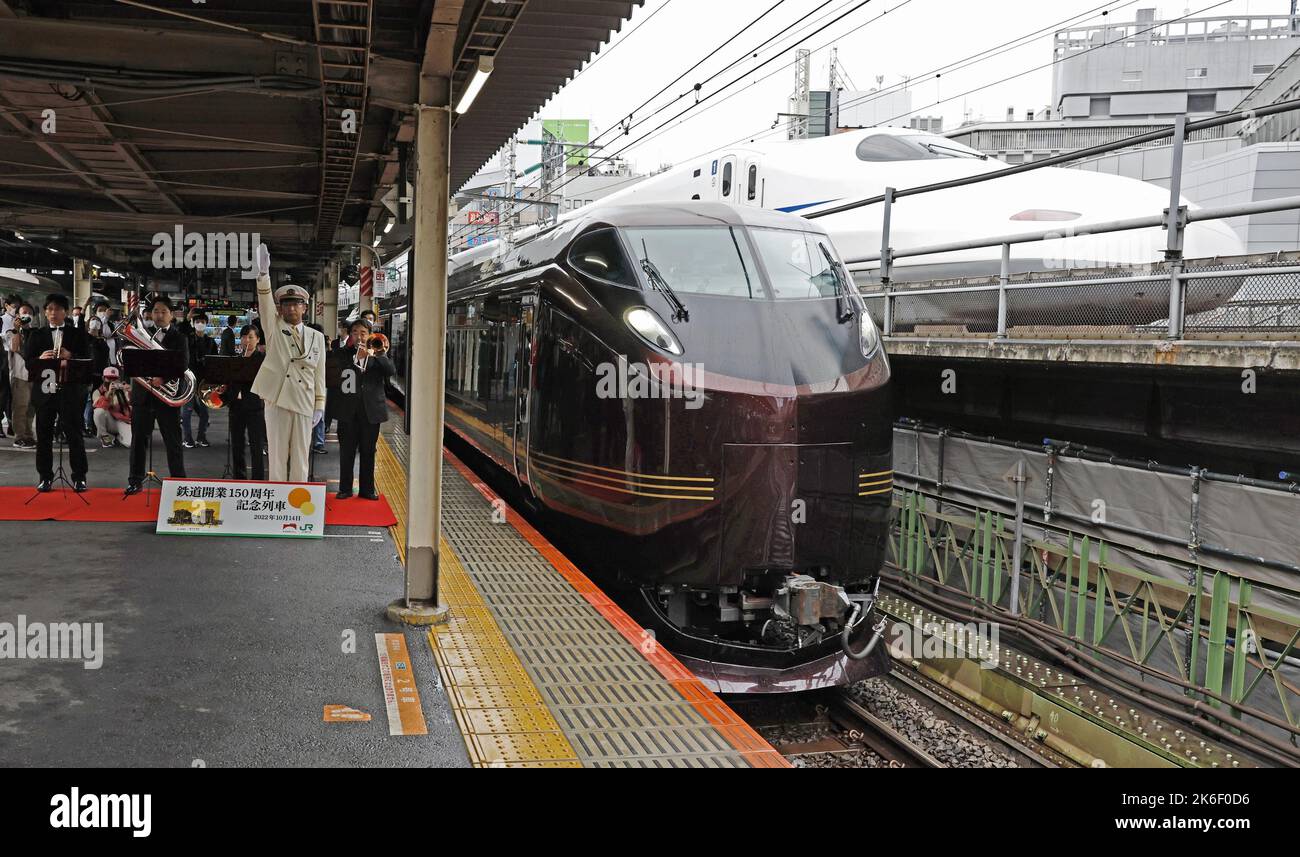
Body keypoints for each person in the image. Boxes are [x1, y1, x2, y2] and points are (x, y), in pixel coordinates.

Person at [250, 245, 326, 482]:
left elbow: (320, 374)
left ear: (305, 307)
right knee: (277, 454)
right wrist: (263, 277)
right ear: (280, 308)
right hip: (278, 398)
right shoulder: (273, 328)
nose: (291, 308)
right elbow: (264, 303)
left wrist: (320, 404)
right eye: (286, 304)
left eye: (296, 304)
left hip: (305, 399)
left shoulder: (317, 337)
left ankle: (297, 501)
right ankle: (277, 501)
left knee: (301, 456)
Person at [24, 294, 91, 492]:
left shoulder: (77, 334)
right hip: (44, 391)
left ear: (66, 312)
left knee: (74, 434)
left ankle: (80, 477)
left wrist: (71, 356)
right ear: (45, 312)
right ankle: (45, 476)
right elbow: (28, 363)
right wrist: (40, 358)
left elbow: (87, 359)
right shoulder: (36, 335)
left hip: (70, 391)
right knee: (43, 435)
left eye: (58, 309)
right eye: (50, 309)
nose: (53, 313)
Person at [124, 294, 189, 495]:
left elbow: (183, 364)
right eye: (156, 311)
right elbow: (130, 359)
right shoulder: (141, 334)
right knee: (138, 440)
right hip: (143, 395)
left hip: (167, 397)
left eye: (164, 311)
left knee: (173, 440)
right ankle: (135, 480)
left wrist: (163, 378)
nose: (159, 315)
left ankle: (178, 481)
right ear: (150, 314)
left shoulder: (179, 338)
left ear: (171, 315)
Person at [333, 319, 394, 500]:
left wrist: (378, 354)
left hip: (370, 411)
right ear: (350, 335)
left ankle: (367, 489)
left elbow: (390, 370)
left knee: (368, 451)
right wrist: (357, 358)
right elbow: (338, 373)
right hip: (348, 410)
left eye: (363, 333)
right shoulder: (343, 354)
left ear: (369, 335)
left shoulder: (378, 353)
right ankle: (345, 488)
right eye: (355, 332)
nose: (359, 336)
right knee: (347, 451)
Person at [227, 325, 266, 480]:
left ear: (257, 340)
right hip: (236, 407)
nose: (247, 340)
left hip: (255, 407)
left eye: (250, 337)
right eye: (244, 337)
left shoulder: (262, 360)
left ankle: (258, 479)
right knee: (237, 445)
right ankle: (239, 478)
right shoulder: (235, 359)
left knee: (256, 445)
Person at [4, 303, 36, 448]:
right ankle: (19, 437)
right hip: (19, 375)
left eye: (29, 312)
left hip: (34, 375)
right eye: (23, 312)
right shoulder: (11, 332)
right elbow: (15, 347)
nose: (26, 315)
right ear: (17, 316)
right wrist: (17, 329)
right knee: (20, 407)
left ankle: (29, 435)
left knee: (31, 407)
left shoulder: (36, 333)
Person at [181, 311, 212, 448]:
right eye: (197, 321)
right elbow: (180, 332)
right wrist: (186, 319)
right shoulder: (188, 339)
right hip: (188, 379)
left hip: (204, 381)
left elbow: (215, 361)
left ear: (206, 324)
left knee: (205, 412)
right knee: (187, 411)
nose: (200, 324)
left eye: (203, 322)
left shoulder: (210, 342)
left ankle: (201, 437)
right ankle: (187, 438)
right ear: (193, 324)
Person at [92, 366, 132, 448]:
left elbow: (132, 407)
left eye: (114, 379)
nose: (112, 381)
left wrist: (131, 392)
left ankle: (118, 438)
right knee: (98, 412)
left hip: (123, 420)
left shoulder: (124, 389)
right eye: (109, 378)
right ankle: (105, 437)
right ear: (103, 378)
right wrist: (109, 394)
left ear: (118, 378)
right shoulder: (98, 392)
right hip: (109, 421)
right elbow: (99, 405)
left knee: (130, 444)